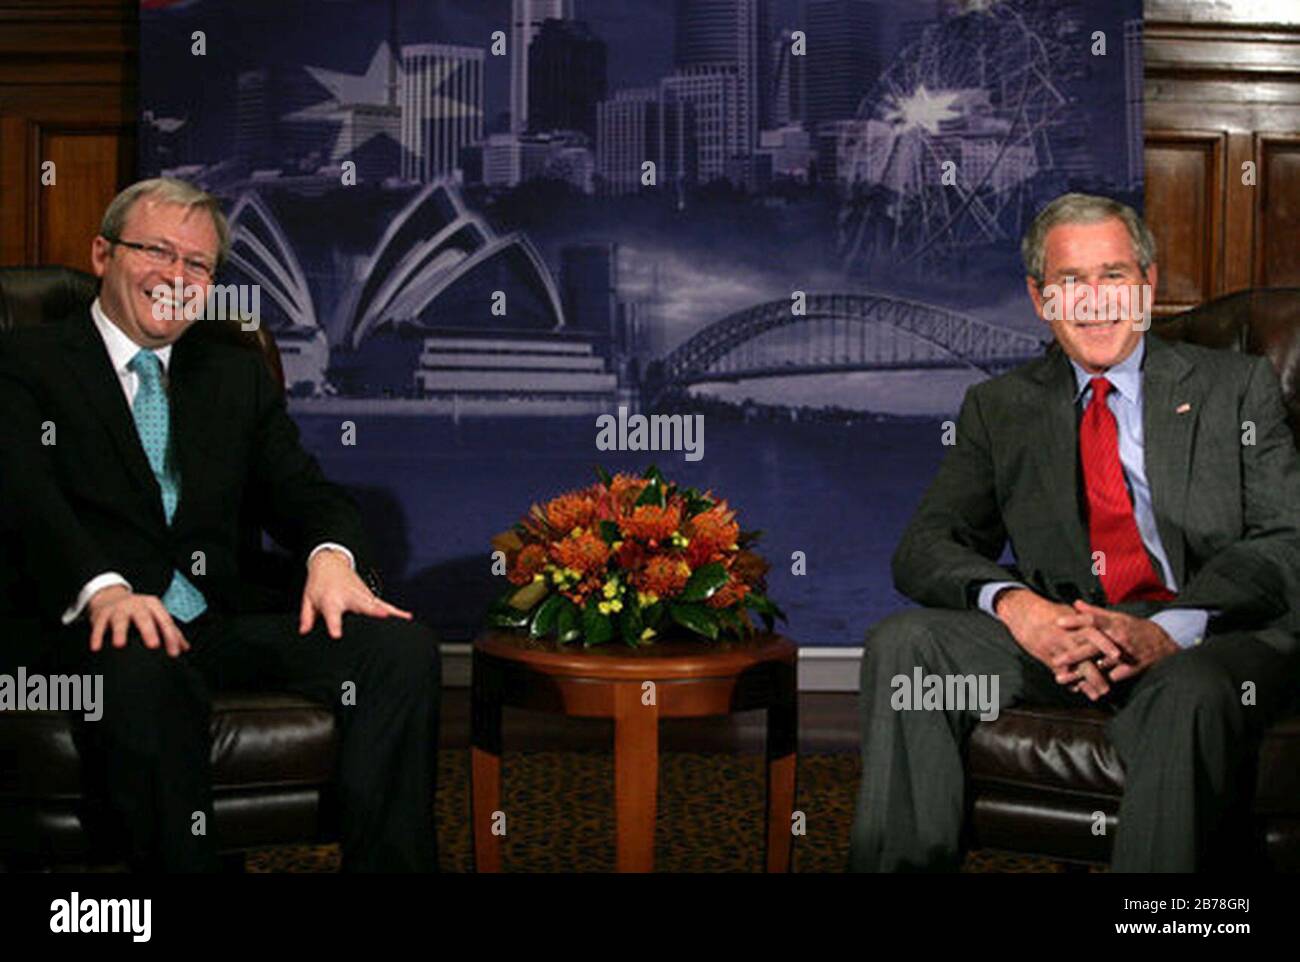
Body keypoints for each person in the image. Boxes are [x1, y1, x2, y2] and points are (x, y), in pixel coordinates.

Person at [848, 192, 1300, 872]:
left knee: (1190, 693)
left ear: (1148, 284)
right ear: (1040, 298)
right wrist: (1020, 609)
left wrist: (1169, 629)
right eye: (1070, 282)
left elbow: (1286, 539)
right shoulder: (999, 407)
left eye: (1113, 276)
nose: (1094, 302)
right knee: (907, 646)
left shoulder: (1236, 388)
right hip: (1063, 639)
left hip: (1208, 637)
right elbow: (924, 546)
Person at [0, 177, 441, 872]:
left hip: (214, 620)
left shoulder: (233, 374)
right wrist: (105, 588)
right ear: (102, 254)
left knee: (399, 650)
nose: (177, 276)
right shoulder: (26, 362)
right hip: (85, 624)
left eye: (198, 265)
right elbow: (24, 500)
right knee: (143, 660)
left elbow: (303, 493)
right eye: (157, 251)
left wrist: (331, 556)